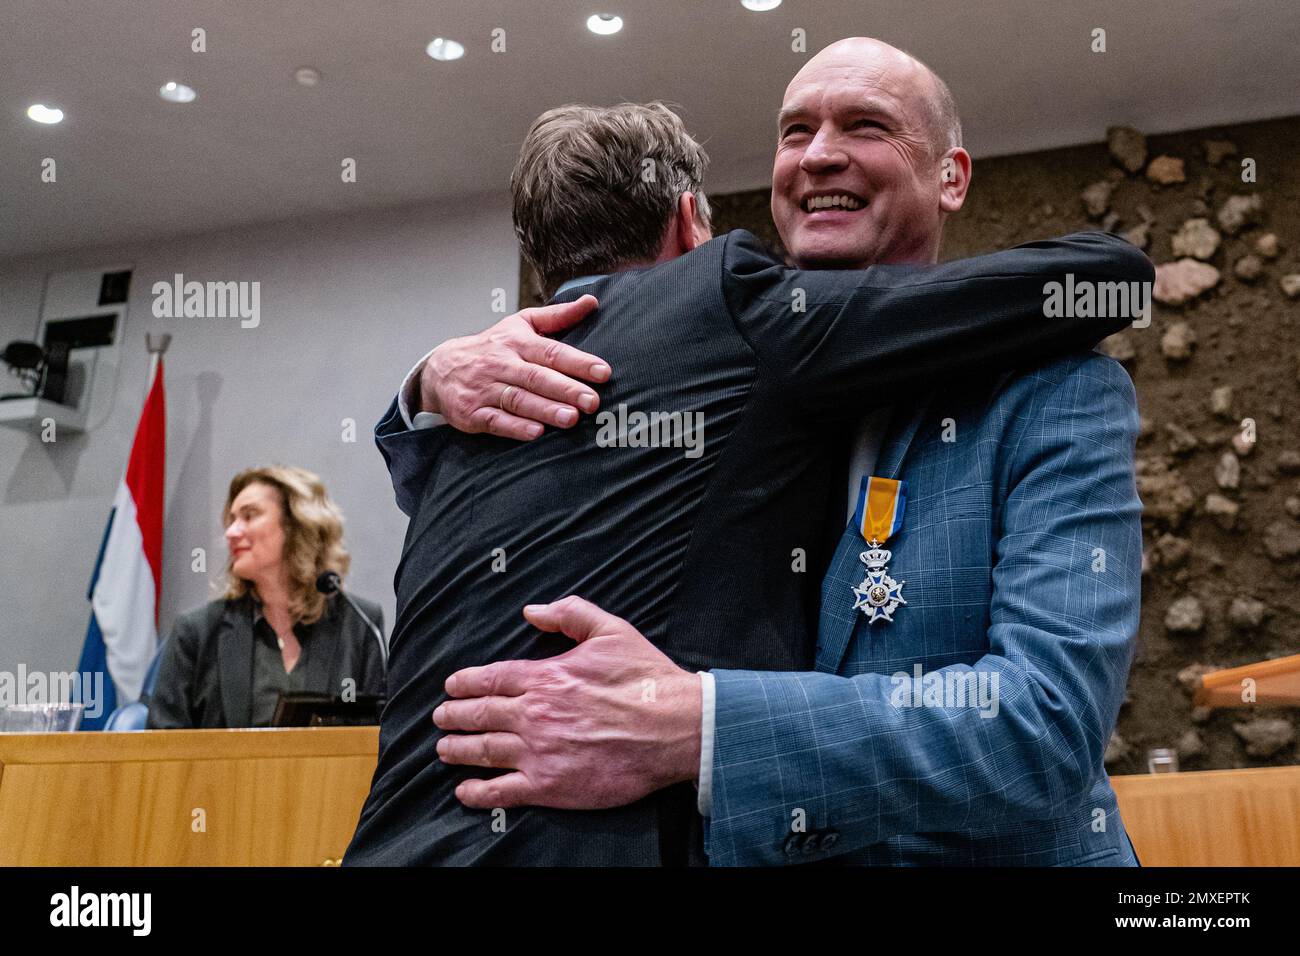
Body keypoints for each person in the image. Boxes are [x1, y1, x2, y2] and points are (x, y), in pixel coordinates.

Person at [344, 81, 1148, 863]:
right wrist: (429, 376)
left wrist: (702, 726)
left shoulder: (1053, 391)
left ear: (952, 176)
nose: (820, 154)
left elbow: (1047, 723)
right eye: (794, 132)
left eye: (866, 125)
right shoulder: (663, 338)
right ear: (696, 222)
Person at [147, 465, 386, 729]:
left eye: (249, 516)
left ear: (297, 525)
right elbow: (161, 750)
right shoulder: (197, 633)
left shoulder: (360, 625)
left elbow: (379, 738)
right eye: (232, 520)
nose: (231, 533)